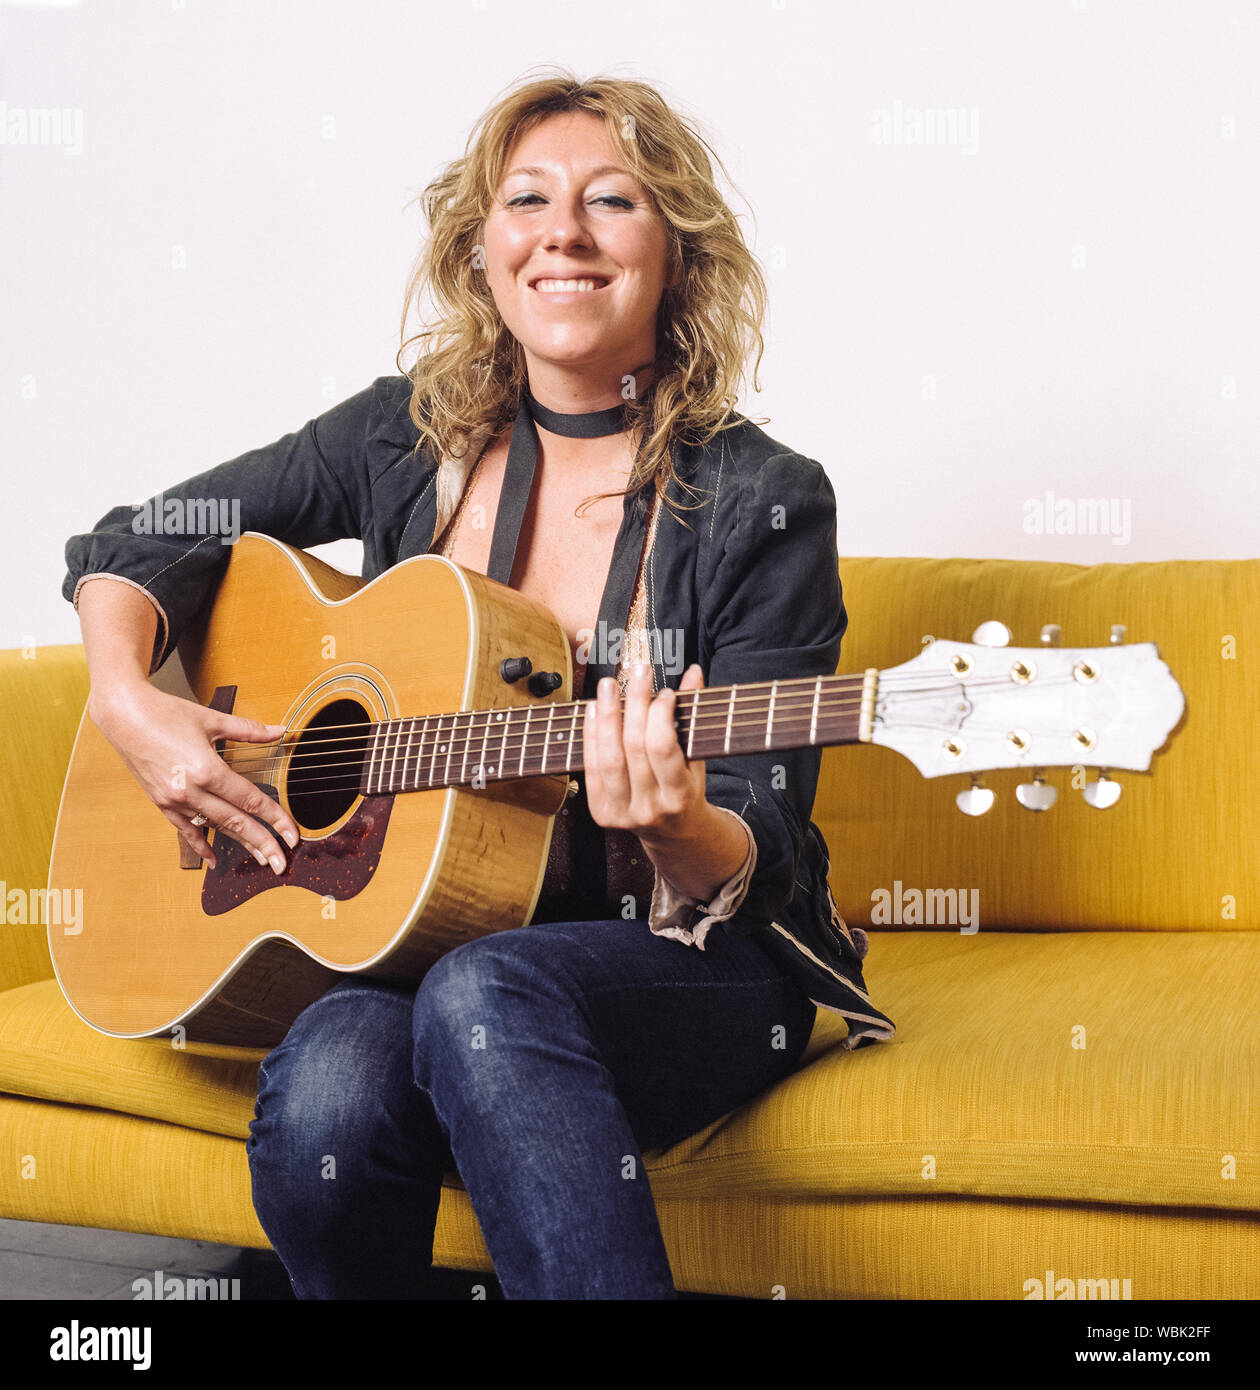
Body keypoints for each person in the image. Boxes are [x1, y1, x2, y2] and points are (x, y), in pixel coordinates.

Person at [63, 68, 895, 1300]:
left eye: (611, 201)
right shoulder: (404, 435)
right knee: (334, 1082)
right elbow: (140, 539)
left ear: (676, 250)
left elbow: (765, 834)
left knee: (484, 987)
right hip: (438, 943)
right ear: (484, 248)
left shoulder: (762, 499)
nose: (563, 232)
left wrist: (678, 826)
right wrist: (129, 702)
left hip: (686, 966)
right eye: (527, 201)